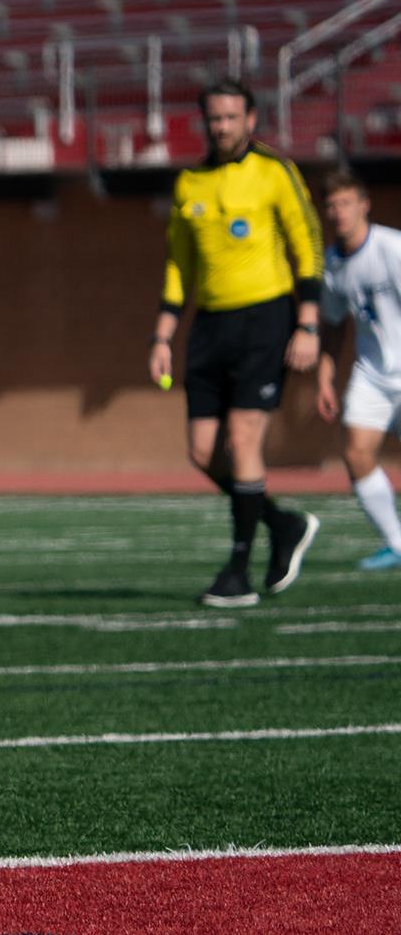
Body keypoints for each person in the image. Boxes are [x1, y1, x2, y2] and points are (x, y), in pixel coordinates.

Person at [149, 78, 322, 608]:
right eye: (214, 118)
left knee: (244, 441)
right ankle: (282, 523)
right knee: (203, 452)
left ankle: (238, 572)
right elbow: (180, 264)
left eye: (231, 117)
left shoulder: (275, 172)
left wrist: (308, 322)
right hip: (210, 327)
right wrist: (163, 334)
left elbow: (306, 245)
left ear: (251, 120)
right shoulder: (189, 184)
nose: (221, 126)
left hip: (265, 320)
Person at [313, 169, 401, 571]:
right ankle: (397, 544)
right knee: (356, 453)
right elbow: (333, 323)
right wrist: (325, 375)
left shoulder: (392, 247)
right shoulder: (332, 263)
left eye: (345, 203)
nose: (338, 212)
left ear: (364, 205)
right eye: (331, 206)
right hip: (372, 374)